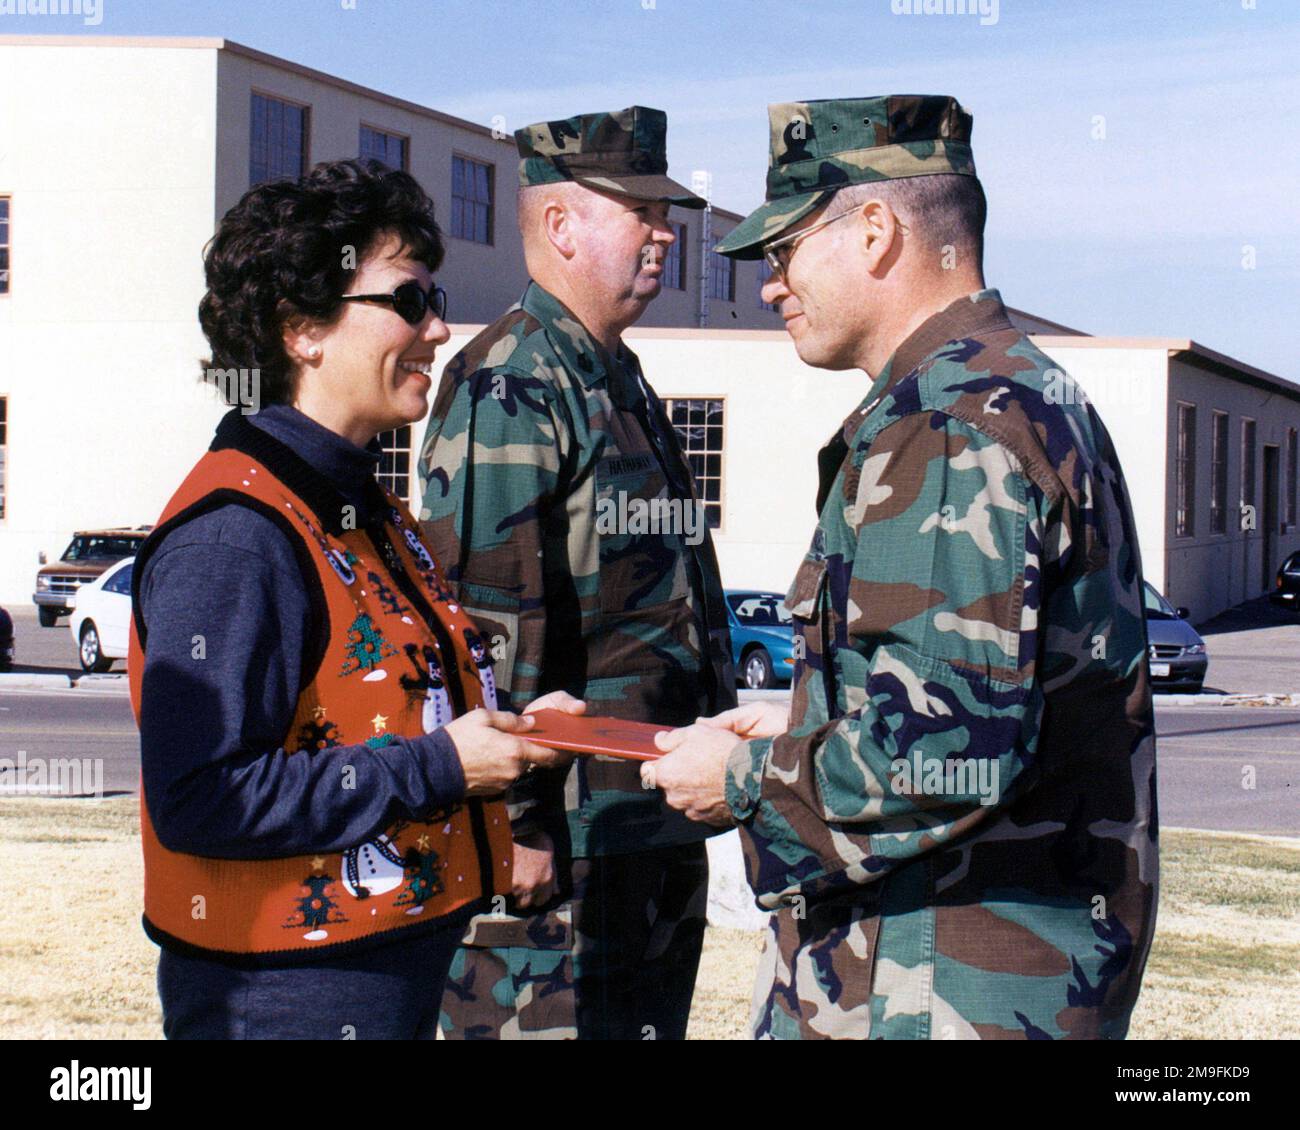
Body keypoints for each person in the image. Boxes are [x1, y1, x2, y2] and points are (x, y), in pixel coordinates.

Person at [647, 96, 1159, 1039]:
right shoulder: (1017, 388)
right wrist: (809, 710)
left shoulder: (945, 427)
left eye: (784, 251)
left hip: (933, 982)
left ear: (875, 230)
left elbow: (942, 751)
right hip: (977, 967)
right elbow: (988, 690)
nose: (770, 287)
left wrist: (746, 777)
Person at [129, 158, 577, 1040]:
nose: (440, 328)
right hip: (289, 996)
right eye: (409, 302)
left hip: (382, 973)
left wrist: (513, 734)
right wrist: (443, 767)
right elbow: (202, 797)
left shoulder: (358, 507)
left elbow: (372, 707)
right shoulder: (238, 535)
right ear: (301, 329)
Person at [418, 107, 736, 1040]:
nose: (665, 233)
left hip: (643, 830)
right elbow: (483, 620)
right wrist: (519, 822)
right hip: (562, 845)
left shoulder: (614, 373)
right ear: (560, 226)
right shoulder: (509, 380)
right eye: (640, 209)